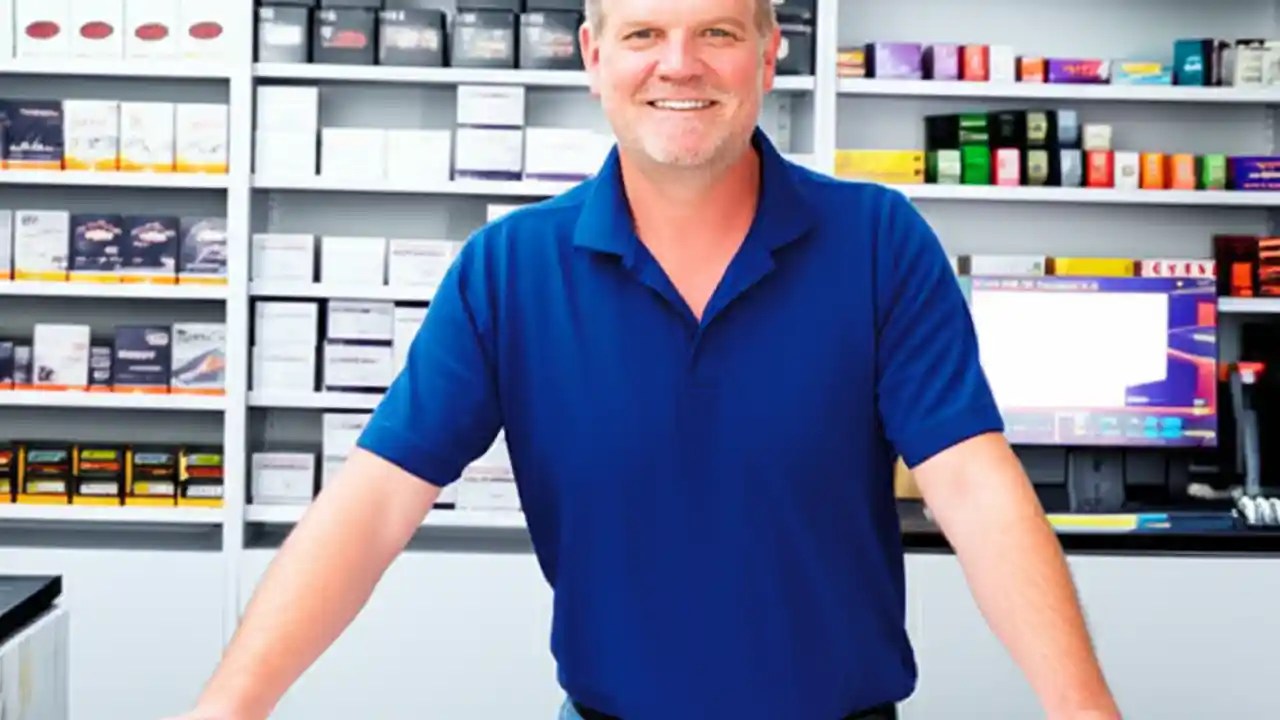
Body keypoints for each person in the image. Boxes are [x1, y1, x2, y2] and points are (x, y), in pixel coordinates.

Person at [170, 0, 1123, 718]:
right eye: (641, 35)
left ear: (767, 53)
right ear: (592, 56)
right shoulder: (510, 269)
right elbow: (374, 502)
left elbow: (975, 489)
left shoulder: (877, 241)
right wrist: (227, 708)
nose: (680, 65)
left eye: (716, 31)